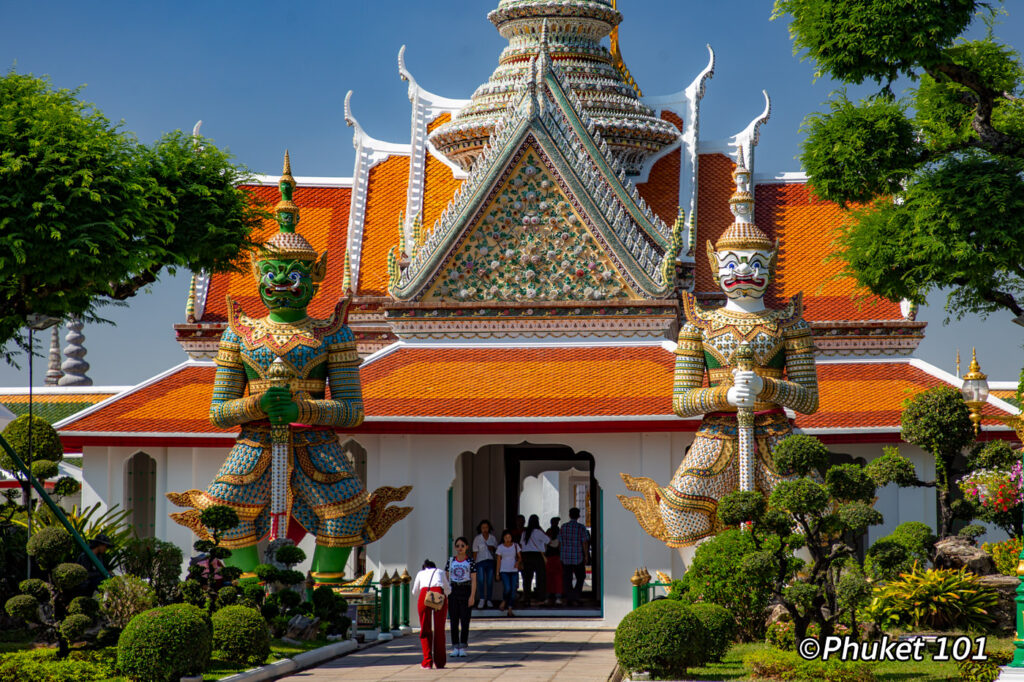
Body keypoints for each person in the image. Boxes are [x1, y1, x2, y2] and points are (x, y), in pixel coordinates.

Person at [412, 559, 451, 669]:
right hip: (438, 593)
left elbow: (414, 591)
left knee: (425, 629)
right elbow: (447, 589)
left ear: (424, 567)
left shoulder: (421, 573)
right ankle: (440, 662)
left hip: (425, 594)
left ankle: (427, 661)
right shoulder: (440, 572)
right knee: (439, 630)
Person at [445, 537, 477, 657]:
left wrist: (472, 596)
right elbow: (446, 578)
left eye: (462, 546)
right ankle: (455, 645)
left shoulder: (470, 562)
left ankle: (463, 645)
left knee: (465, 619)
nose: (460, 548)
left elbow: (474, 580)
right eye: (458, 546)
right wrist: (446, 593)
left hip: (465, 590)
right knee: (454, 619)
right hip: (453, 590)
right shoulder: (451, 561)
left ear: (467, 547)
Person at [558, 507, 590, 606]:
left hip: (566, 557)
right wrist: (586, 555)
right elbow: (585, 542)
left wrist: (561, 554)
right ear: (578, 516)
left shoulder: (564, 527)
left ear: (569, 515)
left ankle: (569, 597)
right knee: (581, 577)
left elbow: (560, 542)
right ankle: (575, 596)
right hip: (578, 557)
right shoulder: (581, 528)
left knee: (567, 579)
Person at [519, 514, 548, 606]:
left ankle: (527, 598)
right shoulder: (538, 532)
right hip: (537, 556)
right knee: (540, 578)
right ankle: (540, 598)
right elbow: (548, 540)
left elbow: (521, 545)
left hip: (526, 556)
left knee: (527, 579)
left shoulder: (524, 533)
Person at [494, 529, 521, 617]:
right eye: (506, 537)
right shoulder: (500, 547)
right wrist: (497, 573)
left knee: (513, 590)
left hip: (513, 570)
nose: (508, 539)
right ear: (503, 538)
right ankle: (505, 600)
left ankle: (509, 608)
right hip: (504, 570)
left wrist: (517, 562)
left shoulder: (516, 546)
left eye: (509, 537)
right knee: (507, 588)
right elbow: (498, 560)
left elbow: (520, 557)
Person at [472, 519, 498, 608]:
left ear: (489, 528)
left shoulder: (492, 538)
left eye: (486, 527)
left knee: (490, 581)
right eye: (483, 528)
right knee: (481, 580)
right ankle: (482, 599)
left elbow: (497, 551)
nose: (485, 529)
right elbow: (475, 552)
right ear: (480, 529)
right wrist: (474, 564)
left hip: (490, 561)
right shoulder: (477, 538)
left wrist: (492, 548)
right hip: (480, 562)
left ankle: (489, 599)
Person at [544, 516, 563, 606]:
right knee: (558, 578)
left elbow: (546, 544)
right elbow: (559, 546)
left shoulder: (548, 532)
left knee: (549, 578)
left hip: (549, 558)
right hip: (557, 558)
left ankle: (548, 596)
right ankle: (558, 597)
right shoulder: (559, 532)